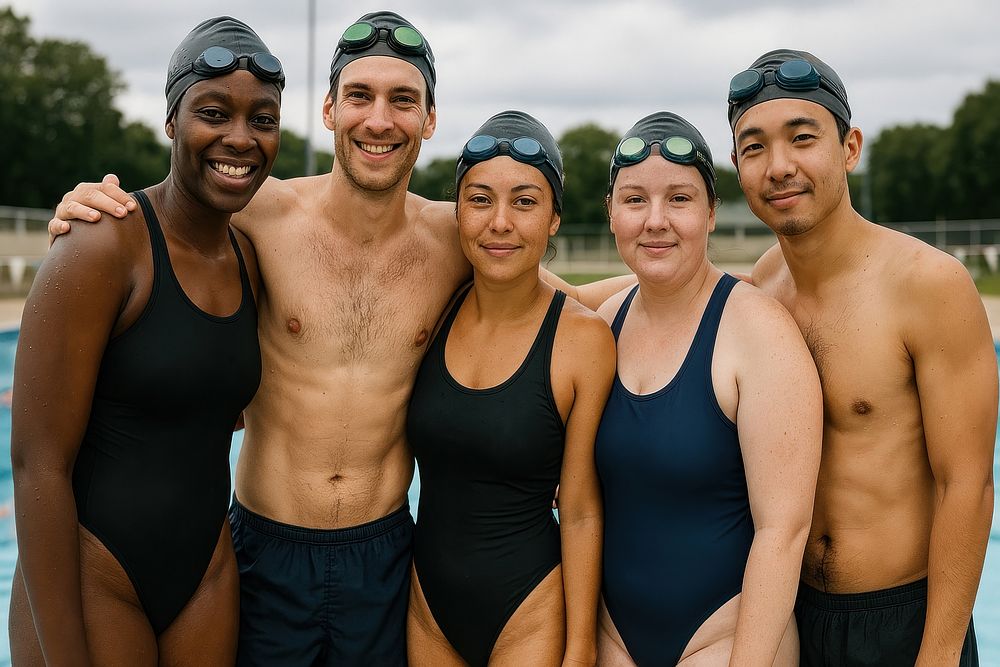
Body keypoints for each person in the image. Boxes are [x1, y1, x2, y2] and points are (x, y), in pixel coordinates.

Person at [46, 11, 628, 665]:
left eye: (402, 100)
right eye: (359, 96)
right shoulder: (261, 213)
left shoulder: (455, 237)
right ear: (328, 109)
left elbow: (559, 302)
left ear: (429, 120)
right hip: (267, 549)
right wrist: (92, 207)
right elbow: (164, 221)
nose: (379, 120)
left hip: (383, 557)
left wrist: (681, 287)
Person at [9, 16, 281, 665]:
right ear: (171, 121)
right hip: (95, 570)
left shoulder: (250, 257)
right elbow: (37, 463)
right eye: (213, 112)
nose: (239, 138)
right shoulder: (104, 244)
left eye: (263, 119)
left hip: (206, 575)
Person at [729, 49, 997, 666]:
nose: (780, 167)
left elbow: (967, 484)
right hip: (795, 619)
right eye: (754, 148)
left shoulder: (928, 285)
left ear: (849, 148)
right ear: (738, 169)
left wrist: (938, 655)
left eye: (802, 138)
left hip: (905, 620)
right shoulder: (765, 285)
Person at [594, 111, 822, 665]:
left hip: (724, 637)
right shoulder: (602, 325)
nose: (656, 221)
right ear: (611, 213)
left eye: (679, 199)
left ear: (711, 213)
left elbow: (784, 531)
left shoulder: (758, 331)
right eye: (634, 200)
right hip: (612, 638)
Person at [406, 111, 614, 666]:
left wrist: (580, 646)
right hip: (426, 605)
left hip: (529, 608)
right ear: (457, 212)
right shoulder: (433, 308)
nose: (500, 222)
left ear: (554, 218)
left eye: (524, 202)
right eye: (480, 200)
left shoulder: (582, 341)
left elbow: (580, 509)